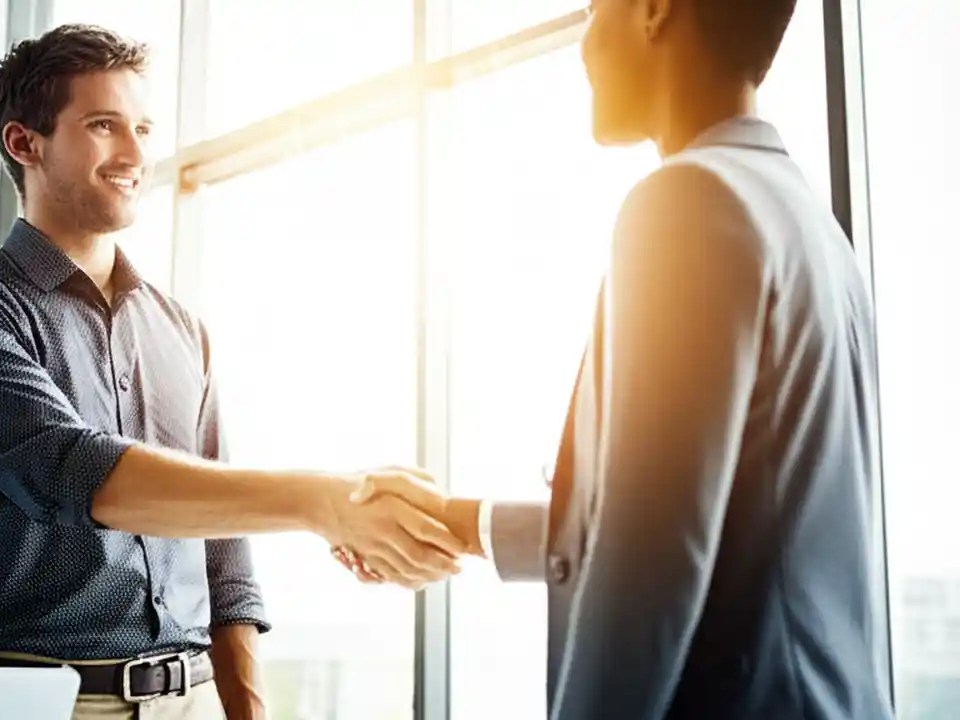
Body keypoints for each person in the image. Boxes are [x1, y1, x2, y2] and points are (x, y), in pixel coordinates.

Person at [343, 0, 895, 717]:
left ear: (655, 10)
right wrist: (455, 520)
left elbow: (651, 567)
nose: (583, 40)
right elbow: (708, 522)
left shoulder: (689, 201)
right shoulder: (811, 226)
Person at [0, 24, 463, 720]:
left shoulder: (181, 331)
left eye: (143, 127)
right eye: (104, 125)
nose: (137, 153)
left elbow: (223, 556)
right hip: (36, 703)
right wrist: (322, 501)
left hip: (189, 699)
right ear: (25, 144)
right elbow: (71, 471)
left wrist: (245, 709)